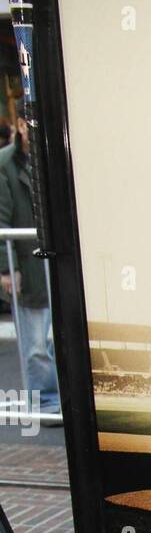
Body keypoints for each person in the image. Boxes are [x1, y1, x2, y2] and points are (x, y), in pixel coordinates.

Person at [0, 109, 60, 413]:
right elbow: (1, 220)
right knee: (36, 343)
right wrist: (4, 270)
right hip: (28, 267)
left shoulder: (49, 159)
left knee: (51, 341)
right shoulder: (5, 165)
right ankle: (44, 403)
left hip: (50, 268)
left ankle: (53, 400)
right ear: (21, 126)